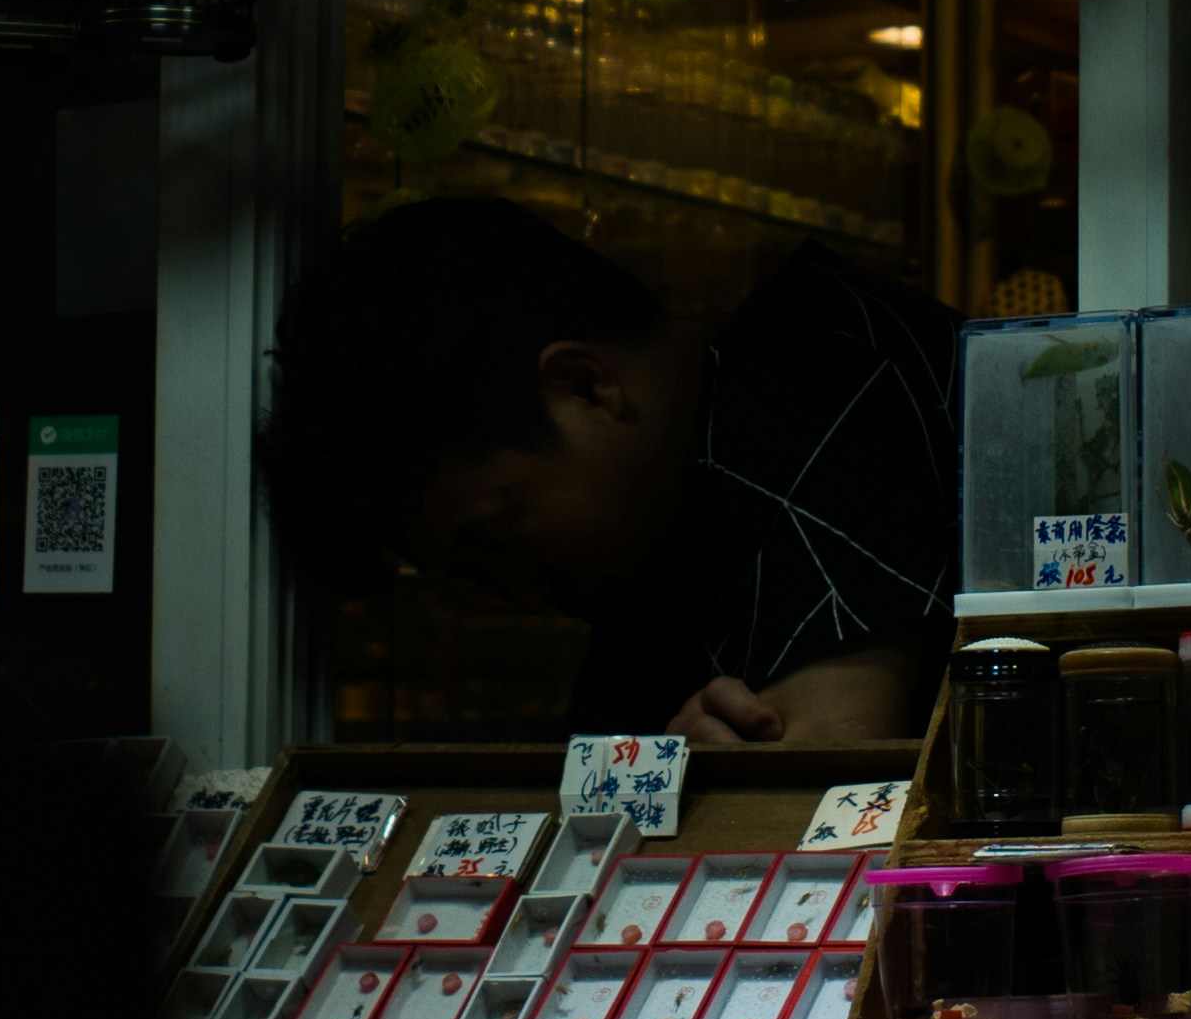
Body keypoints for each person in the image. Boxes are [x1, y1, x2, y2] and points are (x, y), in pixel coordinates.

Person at [265, 196, 955, 742]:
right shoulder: (652, 535)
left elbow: (829, 784)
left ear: (586, 386)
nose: (523, 594)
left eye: (494, 539)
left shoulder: (812, 373)